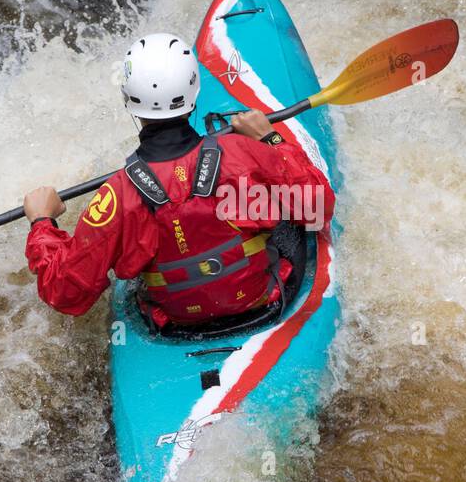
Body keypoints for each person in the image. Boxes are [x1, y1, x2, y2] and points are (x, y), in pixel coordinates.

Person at [23, 32, 335, 331]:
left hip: (175, 323)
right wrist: (271, 138)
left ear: (127, 100)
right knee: (279, 212)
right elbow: (318, 209)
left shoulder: (115, 196)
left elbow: (65, 293)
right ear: (194, 90)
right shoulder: (244, 154)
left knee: (134, 253)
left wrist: (42, 225)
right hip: (262, 301)